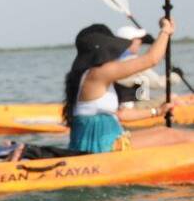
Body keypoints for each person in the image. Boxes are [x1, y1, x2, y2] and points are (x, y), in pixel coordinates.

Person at [64, 21, 194, 153]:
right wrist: (165, 31)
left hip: (110, 139)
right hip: (101, 147)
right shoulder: (98, 73)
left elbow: (121, 114)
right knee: (172, 136)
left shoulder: (90, 76)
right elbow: (151, 59)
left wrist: (157, 111)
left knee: (163, 131)